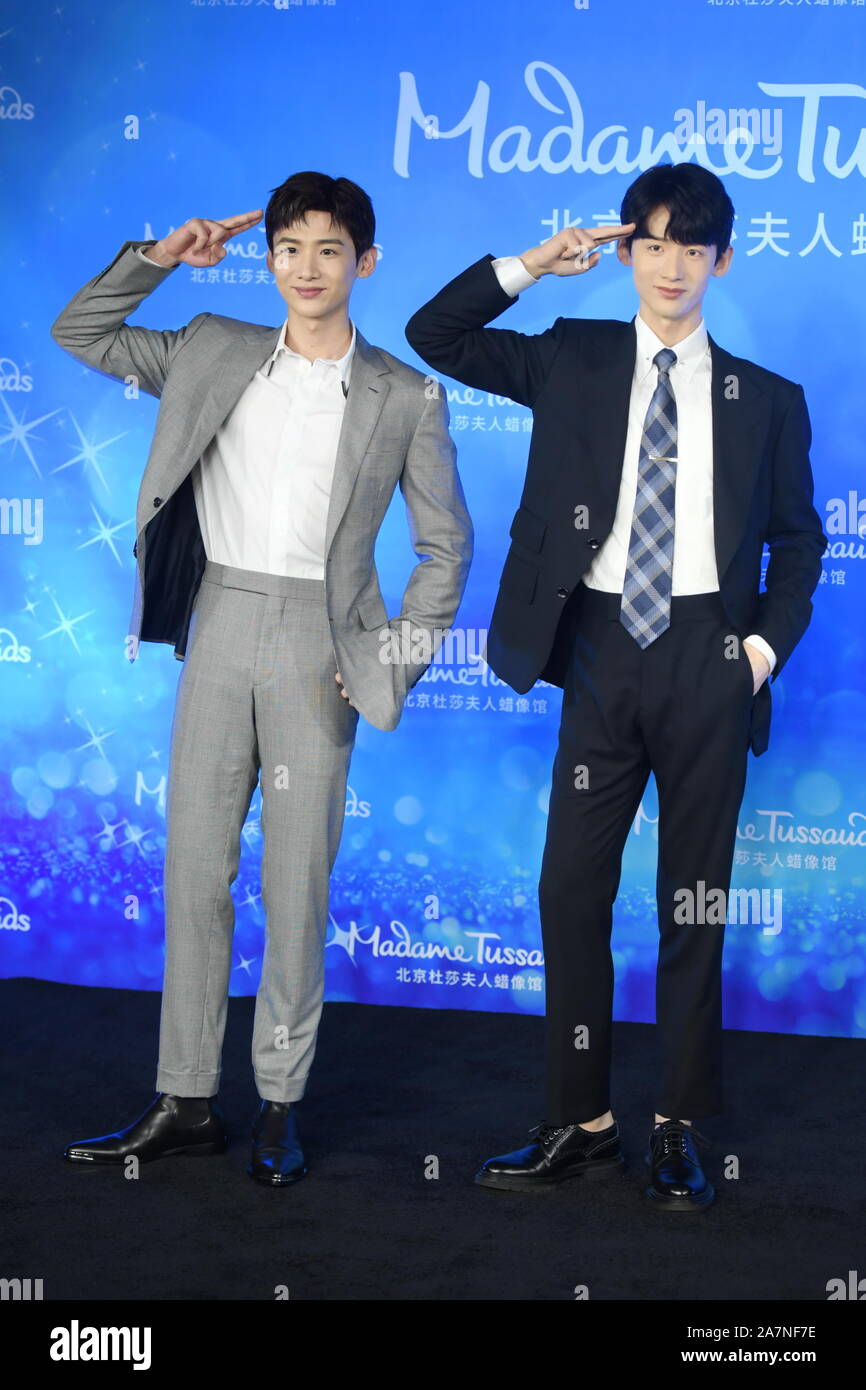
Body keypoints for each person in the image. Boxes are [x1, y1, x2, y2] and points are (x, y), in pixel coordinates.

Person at [405, 162, 826, 1211]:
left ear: (719, 260)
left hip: (704, 657)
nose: (672, 265)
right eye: (653, 243)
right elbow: (434, 335)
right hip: (598, 649)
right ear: (626, 251)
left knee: (691, 901)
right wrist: (532, 265)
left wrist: (757, 652)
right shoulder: (575, 356)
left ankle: (676, 1125)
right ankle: (581, 1120)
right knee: (568, 892)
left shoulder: (766, 401)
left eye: (694, 247)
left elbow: (797, 544)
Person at [52, 171, 472, 1186]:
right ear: (268, 257)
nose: (306, 267)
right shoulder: (211, 346)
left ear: (363, 263)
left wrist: (384, 659)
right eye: (289, 247)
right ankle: (185, 1097)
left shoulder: (405, 394)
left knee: (295, 887)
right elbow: (84, 330)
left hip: (319, 644)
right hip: (219, 621)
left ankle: (279, 1102)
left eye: (329, 249)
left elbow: (445, 547)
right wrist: (163, 253)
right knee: (195, 873)